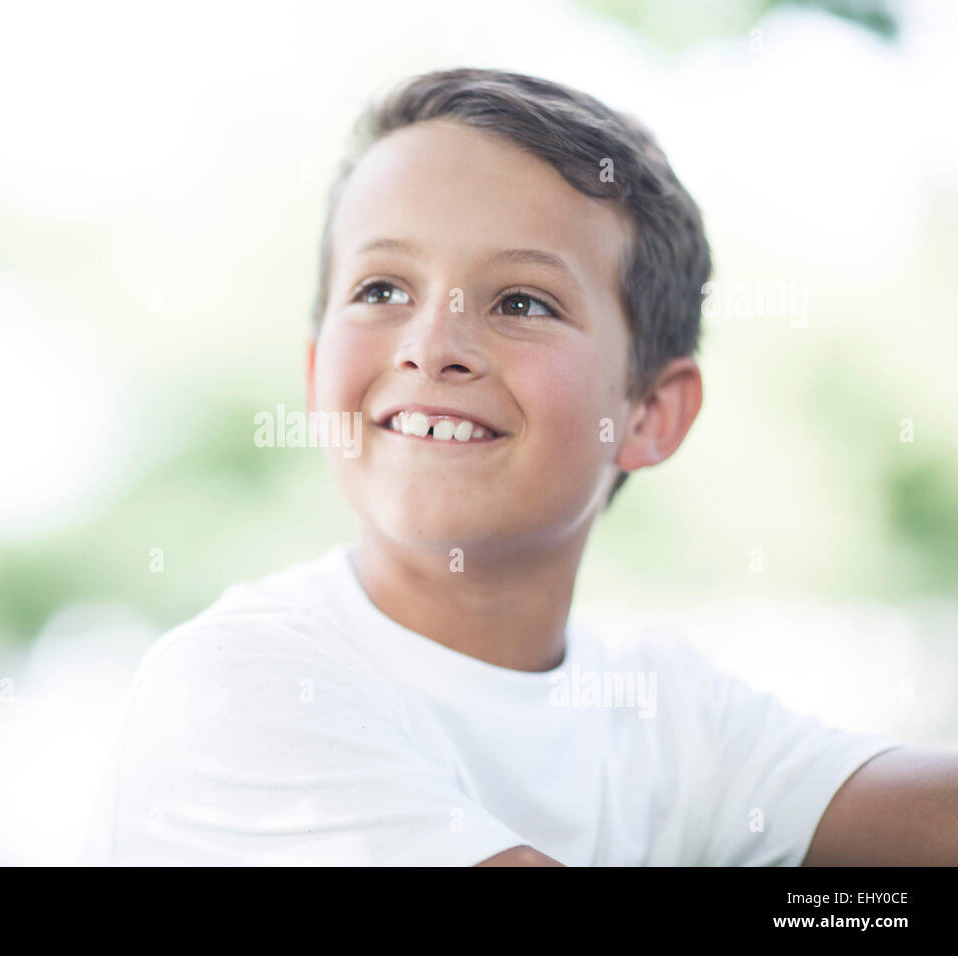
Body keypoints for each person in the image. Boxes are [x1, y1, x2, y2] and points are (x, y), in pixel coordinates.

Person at [83, 67, 955, 866]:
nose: (433, 347)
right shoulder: (238, 684)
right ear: (317, 376)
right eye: (381, 289)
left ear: (648, 415)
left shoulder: (665, 713)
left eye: (522, 301)